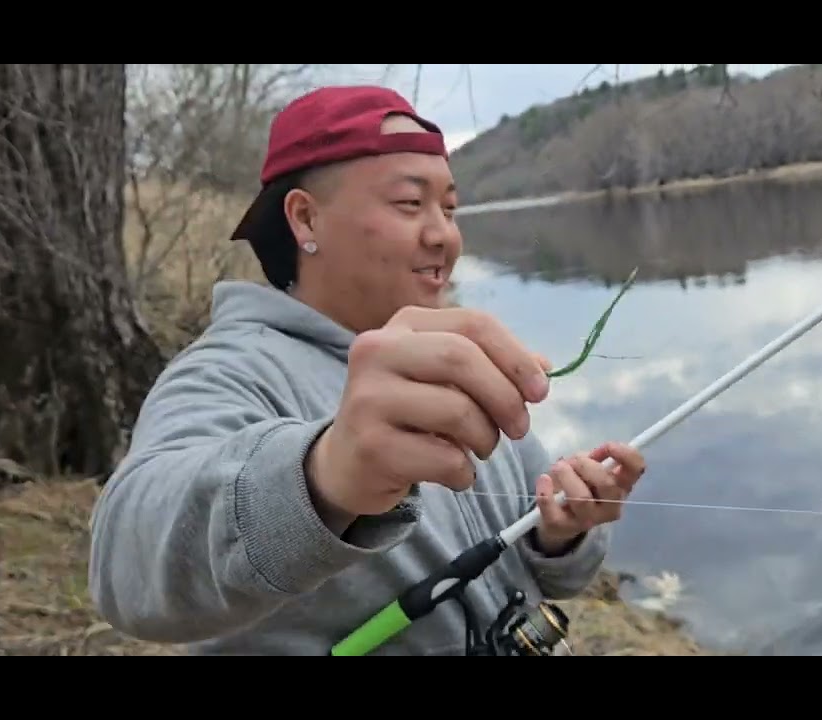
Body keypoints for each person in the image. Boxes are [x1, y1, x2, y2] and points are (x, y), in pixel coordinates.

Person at [87, 85, 648, 656]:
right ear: (306, 218)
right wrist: (325, 474)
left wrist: (562, 533)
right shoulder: (227, 370)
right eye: (411, 204)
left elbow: (558, 578)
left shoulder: (456, 358)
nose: (444, 236)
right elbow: (125, 572)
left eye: (450, 209)